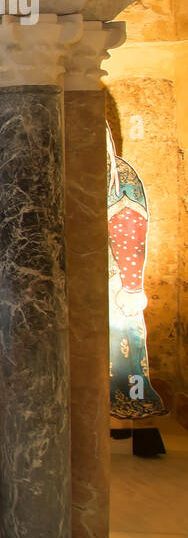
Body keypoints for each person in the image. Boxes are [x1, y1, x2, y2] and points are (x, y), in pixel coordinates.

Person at [106, 127, 167, 455]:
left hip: (116, 285)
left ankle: (137, 429)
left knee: (124, 355)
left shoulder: (121, 177)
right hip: (94, 283)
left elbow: (129, 225)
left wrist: (131, 286)